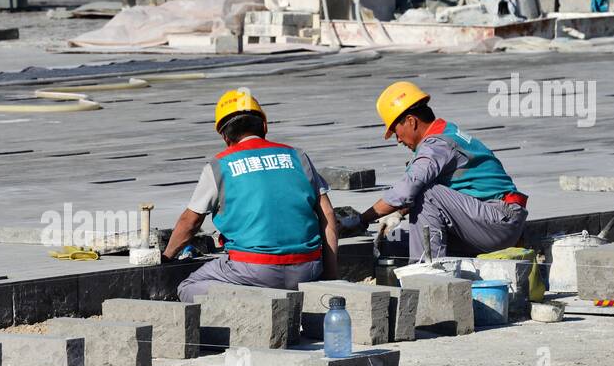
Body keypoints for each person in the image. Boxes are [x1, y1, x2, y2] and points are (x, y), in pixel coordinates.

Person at [167, 89, 339, 302]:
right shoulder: (298, 157)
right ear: (264, 126)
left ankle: (253, 302)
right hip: (307, 269)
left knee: (188, 286)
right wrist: (329, 277)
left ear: (224, 135)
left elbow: (189, 223)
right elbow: (328, 214)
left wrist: (166, 257)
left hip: (253, 271)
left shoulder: (219, 166)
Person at [355, 81, 528, 260]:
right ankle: (432, 268)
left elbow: (407, 189)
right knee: (397, 244)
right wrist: (398, 213)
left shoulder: (437, 145)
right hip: (491, 221)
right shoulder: (445, 134)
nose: (398, 139)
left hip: (499, 221)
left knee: (425, 193)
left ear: (411, 121)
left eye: (396, 131)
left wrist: (361, 220)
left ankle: (429, 276)